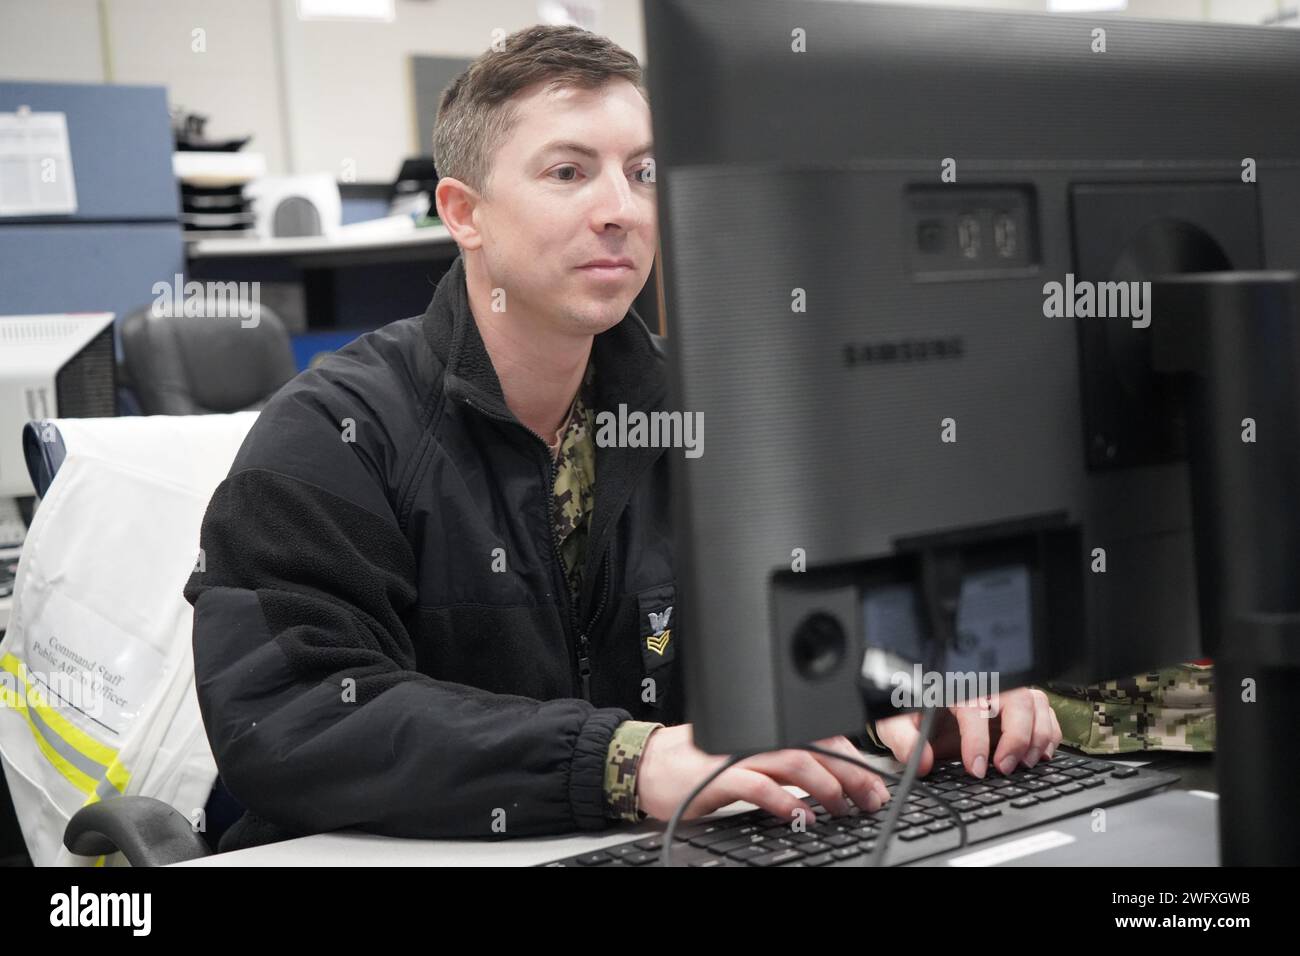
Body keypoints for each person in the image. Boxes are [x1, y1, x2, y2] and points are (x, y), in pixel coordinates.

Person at [184, 23, 1060, 852]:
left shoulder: (715, 413)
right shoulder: (332, 433)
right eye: (568, 172)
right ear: (465, 212)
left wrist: (919, 686)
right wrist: (626, 760)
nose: (621, 210)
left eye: (643, 173)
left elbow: (810, 615)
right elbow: (292, 714)